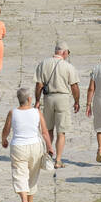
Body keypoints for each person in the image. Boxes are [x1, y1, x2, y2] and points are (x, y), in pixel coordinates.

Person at [1, 86, 55, 202]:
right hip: (35, 146)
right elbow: (45, 132)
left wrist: (4, 140)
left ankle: (25, 201)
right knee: (33, 173)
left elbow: (6, 129)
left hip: (18, 147)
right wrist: (49, 147)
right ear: (29, 99)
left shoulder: (12, 112)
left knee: (20, 174)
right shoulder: (37, 112)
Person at [34, 41, 80, 169]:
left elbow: (39, 85)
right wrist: (77, 101)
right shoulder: (68, 66)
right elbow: (74, 86)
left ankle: (48, 154)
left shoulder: (43, 64)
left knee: (47, 129)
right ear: (64, 52)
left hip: (48, 98)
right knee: (61, 131)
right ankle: (58, 160)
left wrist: (38, 100)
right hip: (63, 98)